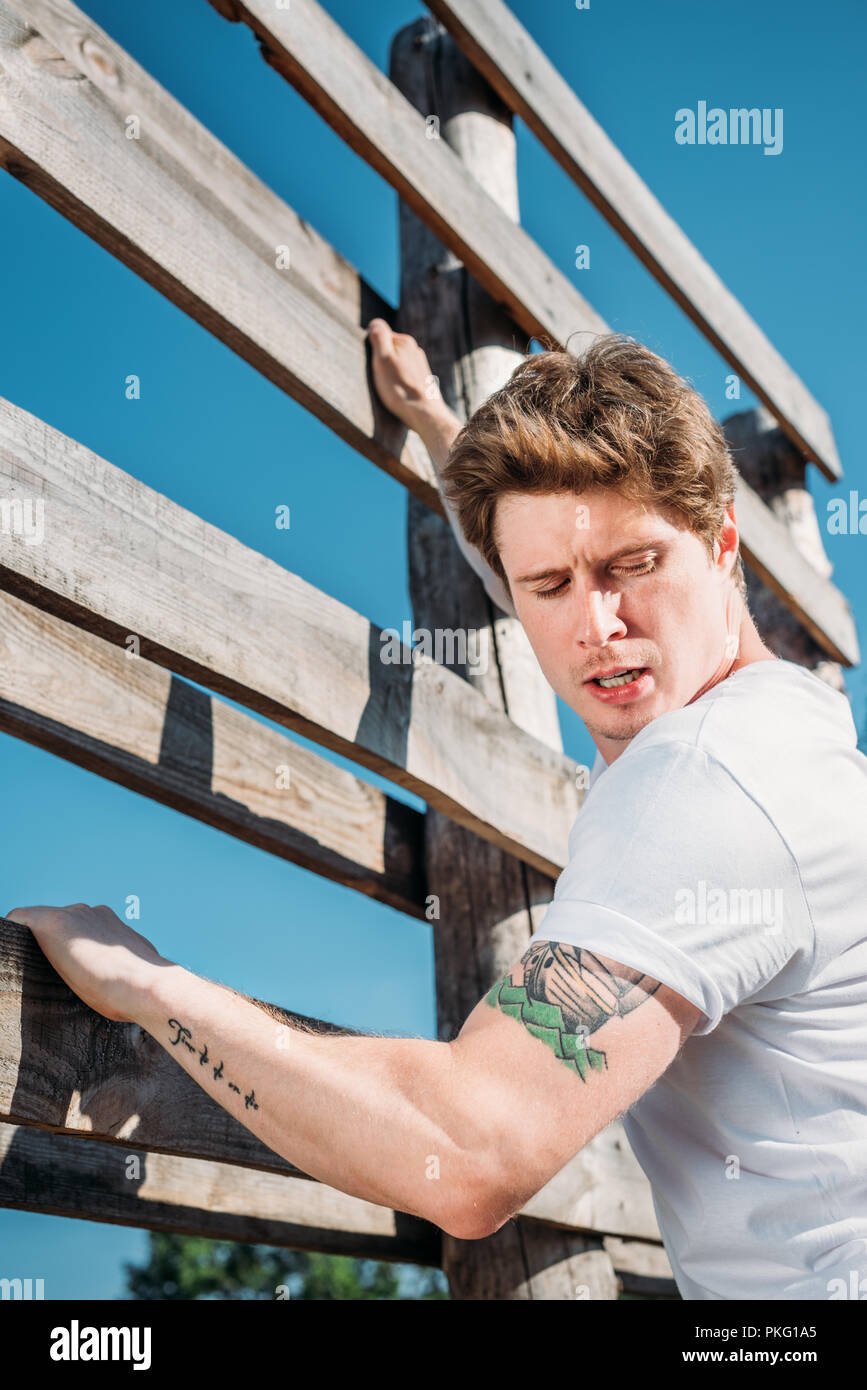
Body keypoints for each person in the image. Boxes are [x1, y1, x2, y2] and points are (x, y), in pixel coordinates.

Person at [9, 324, 867, 1302]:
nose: (594, 626)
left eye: (633, 566)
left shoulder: (702, 785)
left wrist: (143, 984)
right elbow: (545, 545)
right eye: (548, 585)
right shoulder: (799, 721)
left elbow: (467, 1150)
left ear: (724, 544)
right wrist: (431, 420)